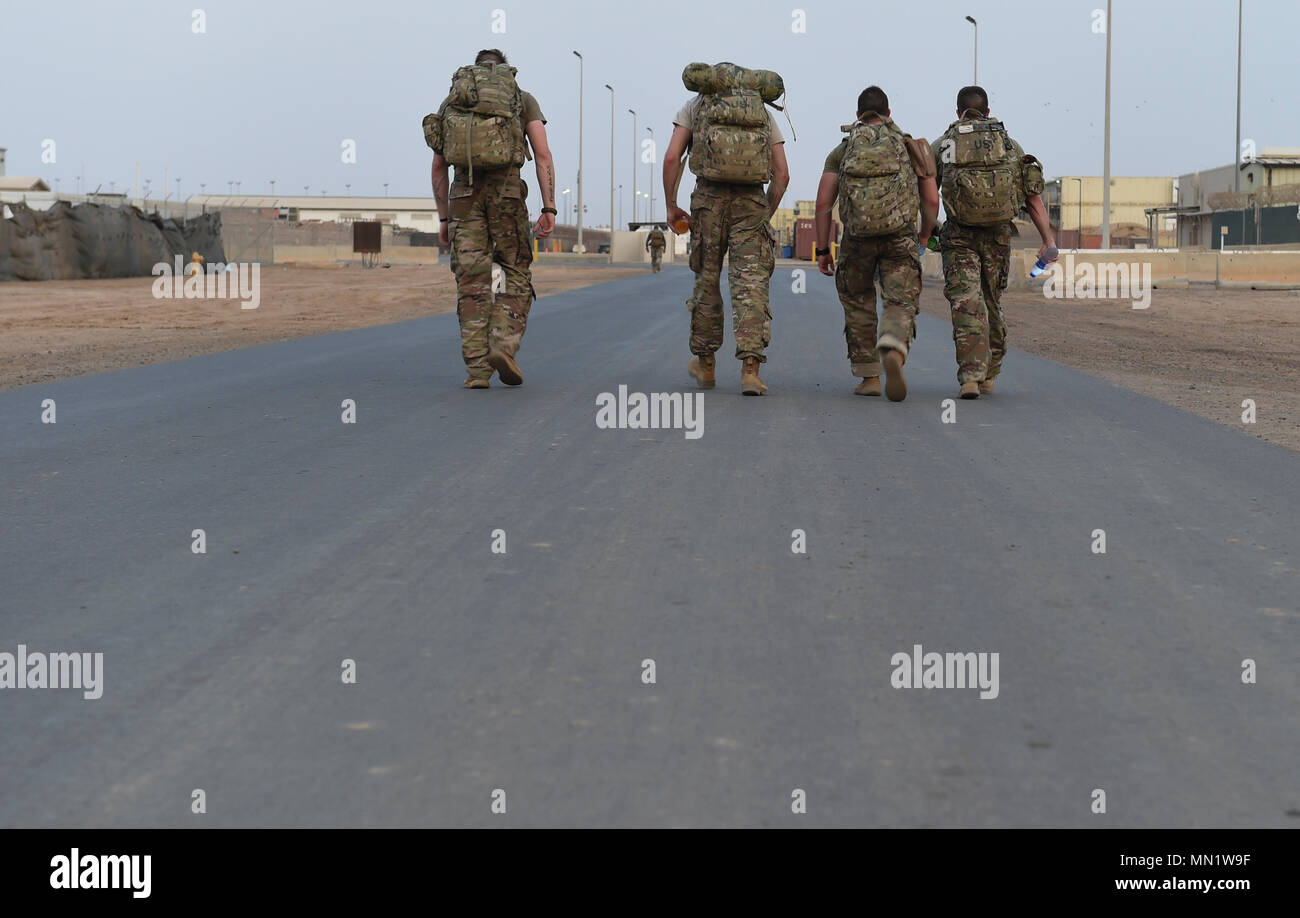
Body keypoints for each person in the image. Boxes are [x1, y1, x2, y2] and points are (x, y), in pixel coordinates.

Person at [423, 49, 557, 389]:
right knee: (515, 270)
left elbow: (439, 167)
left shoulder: (454, 101)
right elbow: (542, 154)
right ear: (504, 69)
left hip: (463, 197)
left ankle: (477, 371)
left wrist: (443, 218)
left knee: (472, 283)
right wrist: (549, 207)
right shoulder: (521, 98)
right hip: (507, 193)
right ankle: (503, 343)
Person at [663, 62, 789, 396]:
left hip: (708, 200)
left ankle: (705, 365)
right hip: (751, 204)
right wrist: (765, 212)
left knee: (707, 279)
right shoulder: (759, 109)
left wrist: (671, 203)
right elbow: (782, 174)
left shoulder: (696, 105)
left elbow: (672, 158)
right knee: (750, 285)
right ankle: (750, 371)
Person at [814, 85, 938, 401]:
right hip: (899, 238)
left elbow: (823, 204)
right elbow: (931, 199)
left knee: (857, 301)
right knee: (900, 300)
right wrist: (923, 236)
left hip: (857, 240)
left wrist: (823, 248)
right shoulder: (910, 146)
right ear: (889, 114)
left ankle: (869, 377)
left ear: (857, 116)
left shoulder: (843, 150)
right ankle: (894, 343)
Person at [931, 85, 1055, 398]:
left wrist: (926, 231)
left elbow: (927, 194)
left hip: (959, 236)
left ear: (958, 112)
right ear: (987, 112)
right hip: (999, 235)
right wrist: (1048, 240)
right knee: (990, 301)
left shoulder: (945, 144)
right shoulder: (1009, 146)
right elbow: (1033, 197)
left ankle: (971, 377)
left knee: (966, 302)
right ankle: (990, 372)